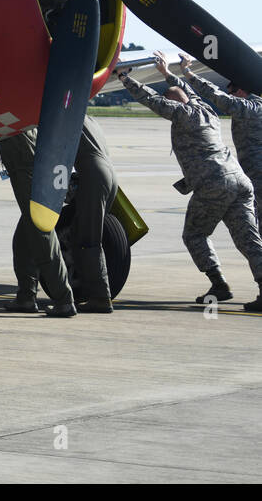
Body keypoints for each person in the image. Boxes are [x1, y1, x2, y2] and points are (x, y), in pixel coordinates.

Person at [121, 53, 262, 310]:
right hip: (240, 181)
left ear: (173, 104)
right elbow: (190, 93)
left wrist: (124, 77)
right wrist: (168, 73)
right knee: (248, 239)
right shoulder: (206, 110)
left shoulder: (181, 113)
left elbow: (150, 99)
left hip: (214, 183)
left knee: (195, 234)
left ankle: (218, 283)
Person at [0, 129, 76, 317]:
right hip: (28, 152)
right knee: (24, 234)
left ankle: (63, 298)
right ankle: (26, 296)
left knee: (39, 229)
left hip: (22, 153)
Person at [180, 56, 262, 201]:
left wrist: (188, 73)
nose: (230, 96)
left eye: (232, 93)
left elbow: (217, 96)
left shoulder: (251, 108)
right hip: (251, 170)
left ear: (241, 91)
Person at [69, 115, 118, 313]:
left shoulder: (68, 115)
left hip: (92, 173)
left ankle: (99, 297)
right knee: (78, 232)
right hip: (108, 173)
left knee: (87, 239)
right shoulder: (91, 120)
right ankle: (93, 289)